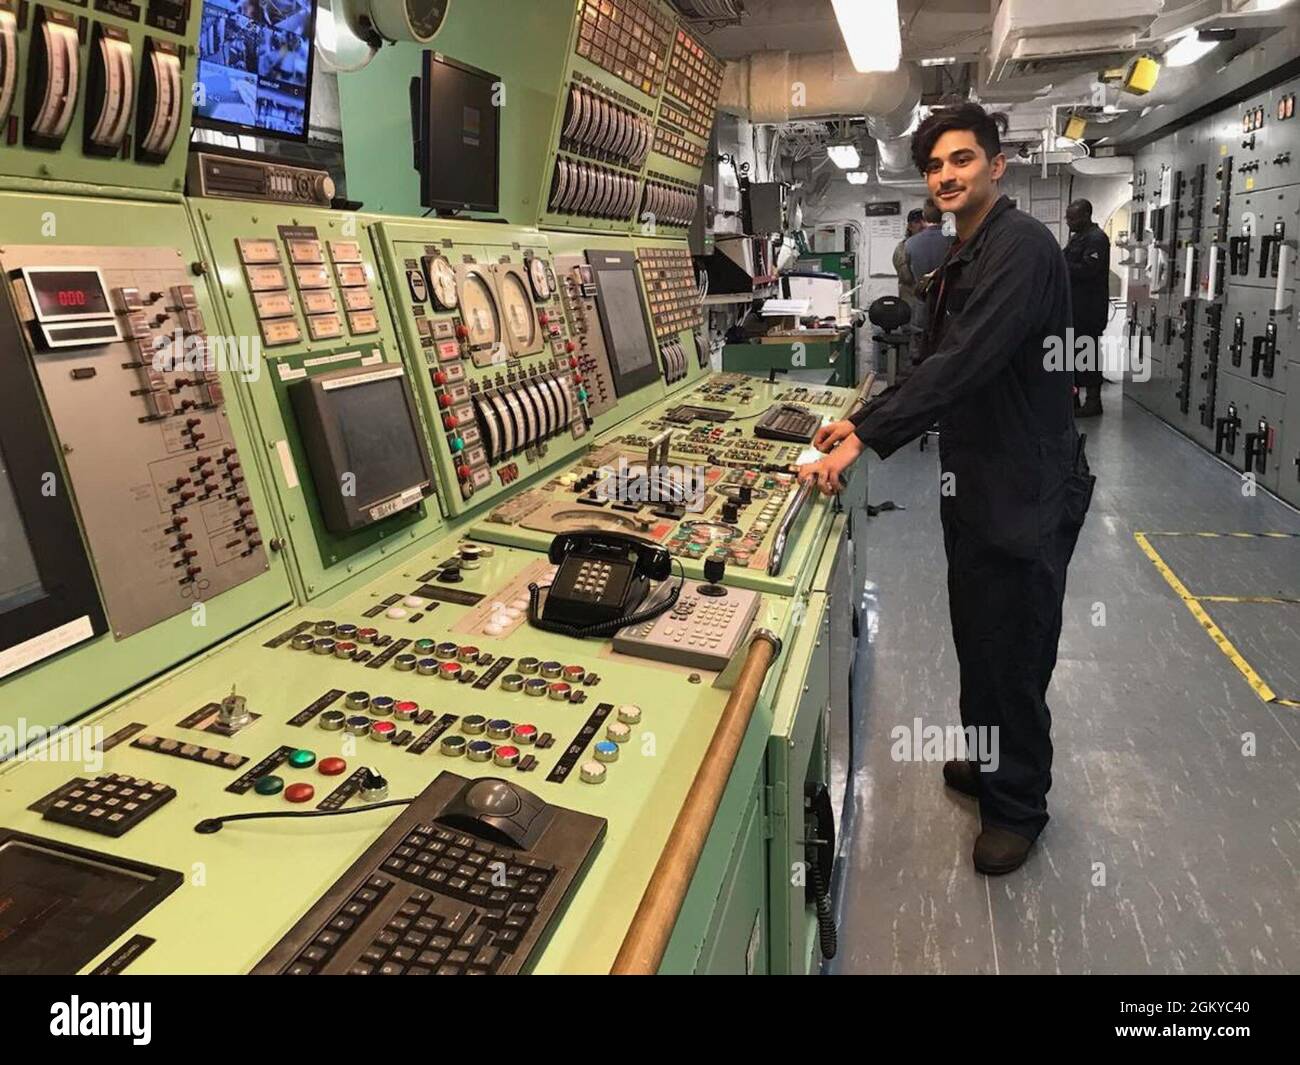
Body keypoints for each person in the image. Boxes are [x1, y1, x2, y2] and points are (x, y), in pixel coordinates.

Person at [798, 102, 1095, 875]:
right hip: (980, 479)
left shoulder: (1021, 251)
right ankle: (988, 757)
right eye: (934, 166)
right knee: (979, 632)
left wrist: (865, 432)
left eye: (962, 160)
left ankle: (1019, 806)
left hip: (1025, 484)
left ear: (997, 165)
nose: (947, 175)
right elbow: (939, 362)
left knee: (1016, 648)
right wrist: (866, 416)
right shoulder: (966, 252)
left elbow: (965, 361)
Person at [1064, 199, 1112, 417]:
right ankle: (1071, 400)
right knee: (1069, 356)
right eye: (1067, 217)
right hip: (1074, 308)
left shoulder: (1097, 239)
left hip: (1089, 310)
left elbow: (1087, 270)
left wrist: (1060, 263)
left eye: (1072, 218)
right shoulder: (1078, 238)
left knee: (1088, 355)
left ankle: (1093, 402)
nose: (1068, 222)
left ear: (1086, 215)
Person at [902, 199, 954, 362]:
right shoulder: (953, 239)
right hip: (948, 304)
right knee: (947, 354)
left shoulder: (910, 244)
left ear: (924, 216)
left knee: (920, 355)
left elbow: (908, 276)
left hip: (922, 303)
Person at [892, 208, 925, 305]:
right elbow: (906, 277)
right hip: (912, 301)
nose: (922, 225)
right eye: (917, 222)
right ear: (910, 226)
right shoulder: (902, 248)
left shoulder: (930, 245)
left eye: (925, 221)